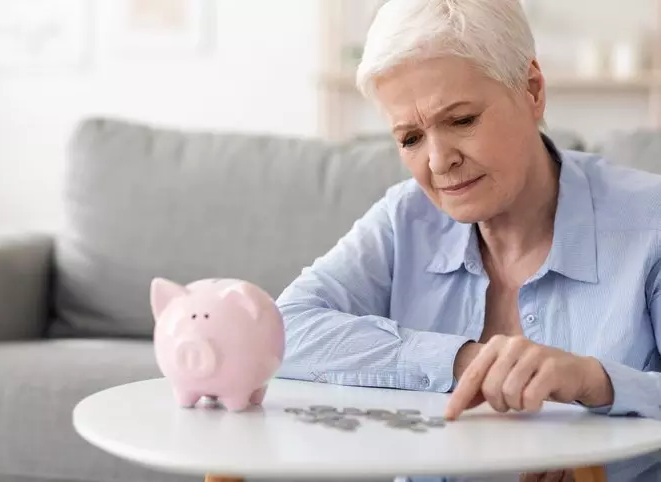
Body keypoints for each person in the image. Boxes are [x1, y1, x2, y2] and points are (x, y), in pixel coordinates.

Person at [274, 0, 661, 481]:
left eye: (461, 121)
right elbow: (280, 331)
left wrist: (594, 382)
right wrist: (463, 360)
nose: (437, 161)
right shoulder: (404, 219)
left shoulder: (650, 224)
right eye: (410, 138)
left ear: (532, 90)